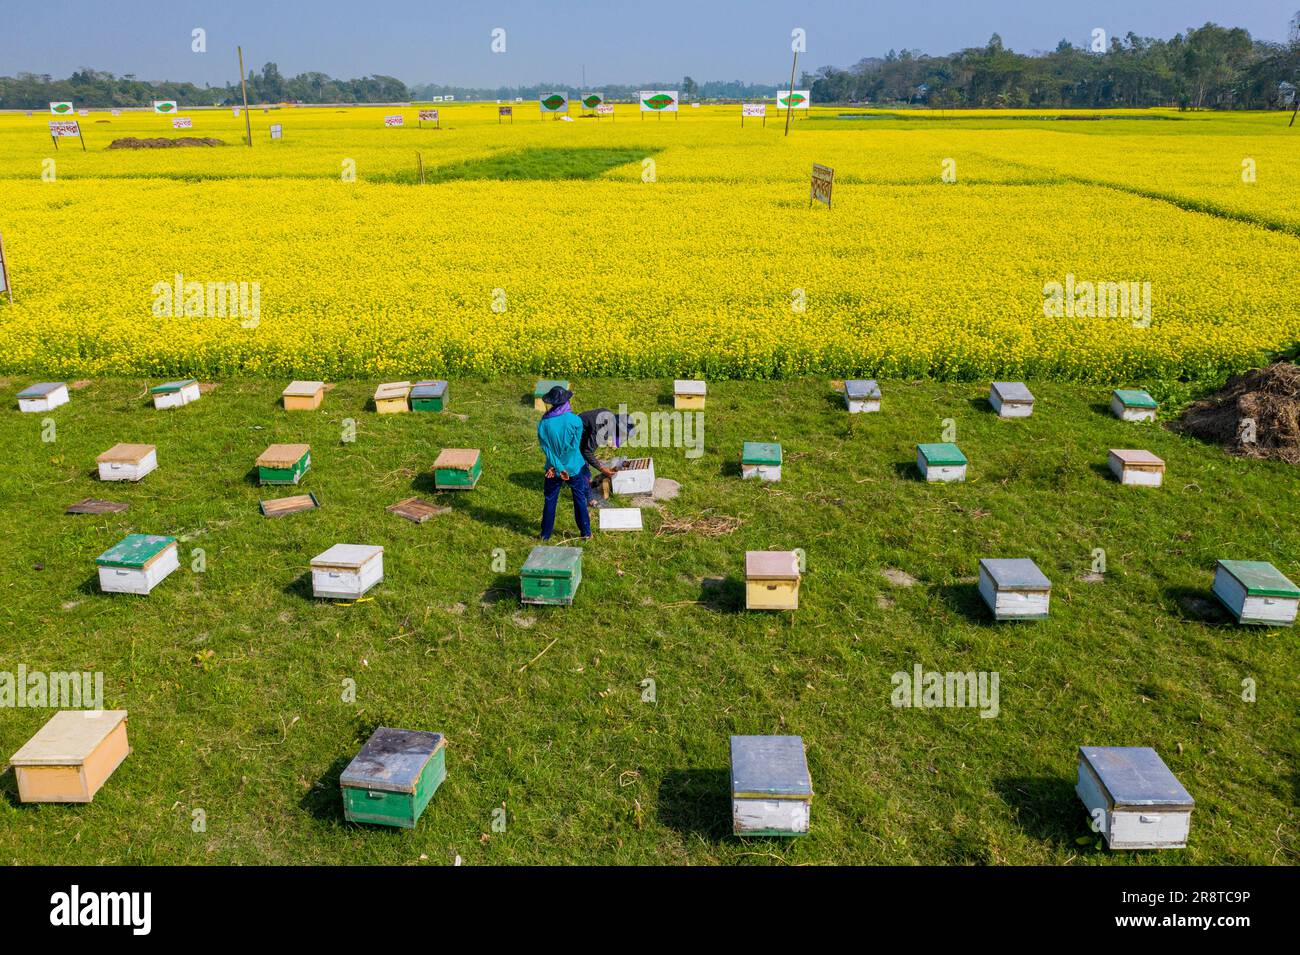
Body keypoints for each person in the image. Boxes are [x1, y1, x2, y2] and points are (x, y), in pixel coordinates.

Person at [536, 385, 591, 540]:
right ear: (566, 401)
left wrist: (557, 467)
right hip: (574, 467)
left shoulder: (543, 424)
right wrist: (564, 468)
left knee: (550, 499)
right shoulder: (576, 421)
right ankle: (585, 533)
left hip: (552, 469)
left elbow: (546, 449)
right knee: (579, 498)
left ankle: (545, 534)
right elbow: (573, 448)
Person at [577, 408, 638, 492]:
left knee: (585, 462)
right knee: (581, 463)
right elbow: (587, 452)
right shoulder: (601, 429)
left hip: (580, 431)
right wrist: (602, 469)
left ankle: (584, 482)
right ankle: (583, 489)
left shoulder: (609, 417)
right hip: (571, 435)